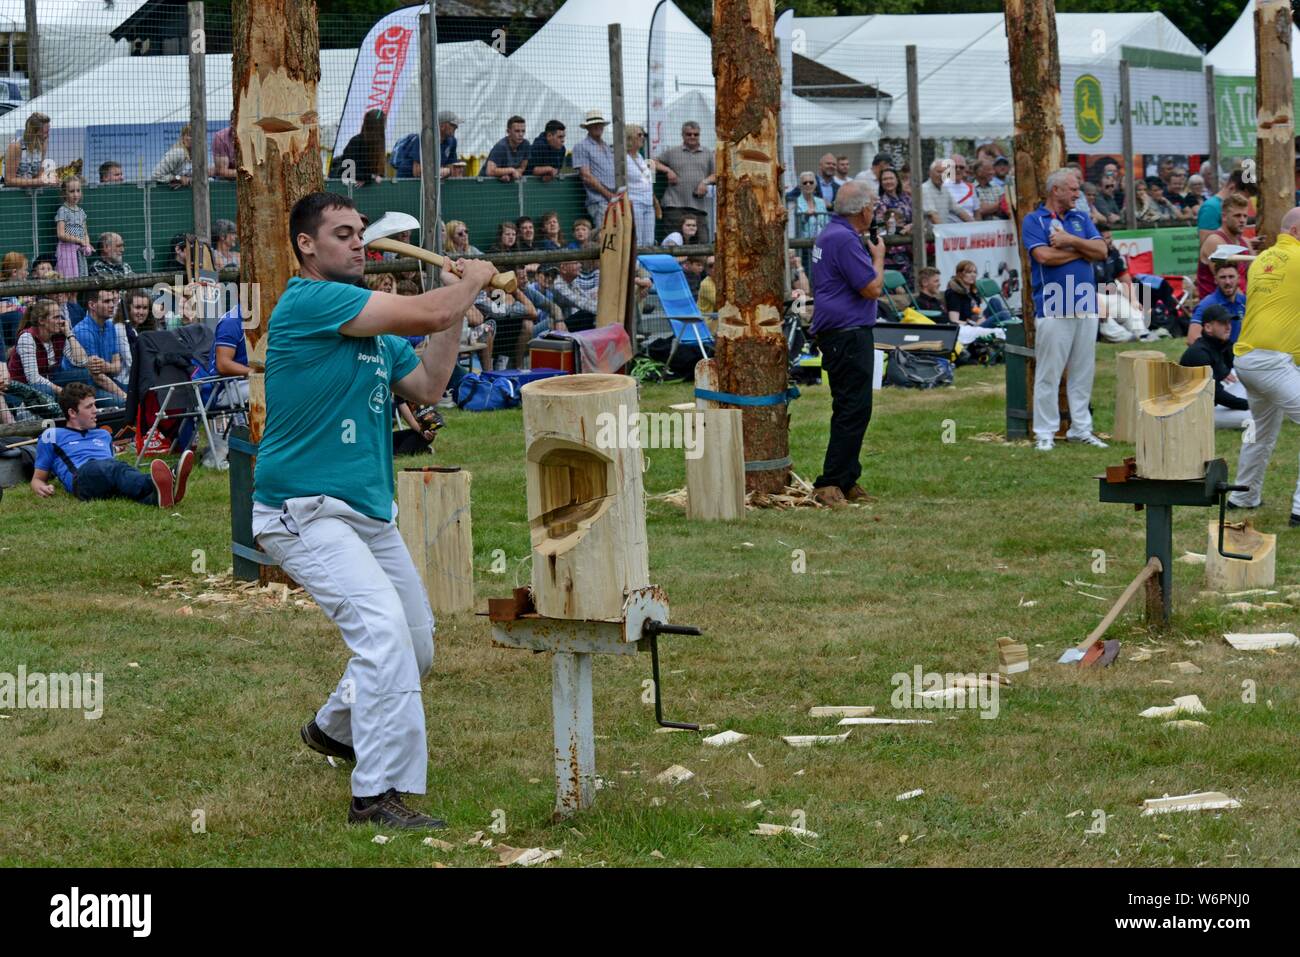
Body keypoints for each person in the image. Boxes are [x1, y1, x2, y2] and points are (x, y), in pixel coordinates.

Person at [251, 191, 498, 829]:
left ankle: (335, 728)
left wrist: (458, 311)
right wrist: (465, 283)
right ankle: (376, 796)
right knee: (383, 635)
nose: (359, 243)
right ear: (307, 245)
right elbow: (429, 311)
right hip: (302, 510)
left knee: (416, 645)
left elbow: (427, 386)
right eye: (342, 234)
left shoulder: (370, 327)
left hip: (368, 511)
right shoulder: (310, 301)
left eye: (360, 232)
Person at [807, 180, 886, 509]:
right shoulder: (844, 239)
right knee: (853, 408)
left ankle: (846, 478)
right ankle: (830, 482)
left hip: (840, 332)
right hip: (847, 332)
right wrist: (878, 257)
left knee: (853, 407)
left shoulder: (830, 234)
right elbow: (871, 288)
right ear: (864, 210)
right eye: (874, 206)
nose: (875, 212)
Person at [1022, 167, 1109, 451]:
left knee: (1083, 371)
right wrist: (1083, 251)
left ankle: (1081, 429)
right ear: (1055, 190)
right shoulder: (1034, 220)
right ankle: (1045, 432)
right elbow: (1043, 256)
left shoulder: (1081, 218)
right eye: (1072, 189)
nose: (1077, 194)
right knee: (1049, 372)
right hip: (1054, 304)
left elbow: (1102, 252)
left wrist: (1071, 241)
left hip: (1086, 302)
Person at [1226, 207, 1300, 522]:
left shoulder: (1261, 261)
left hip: (1247, 359)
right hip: (1273, 361)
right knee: (1261, 432)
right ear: (1297, 231)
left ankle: (1242, 496)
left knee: (1261, 432)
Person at [30, 383, 194, 507]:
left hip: (107, 474)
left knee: (119, 477)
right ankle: (164, 479)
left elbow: (114, 469)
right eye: (89, 407)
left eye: (95, 405)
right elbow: (37, 479)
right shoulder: (52, 436)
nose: (96, 410)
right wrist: (40, 487)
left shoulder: (103, 434)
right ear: (72, 413)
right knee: (113, 467)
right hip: (82, 478)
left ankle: (159, 498)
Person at [6, 299, 95, 401]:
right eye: (56, 317)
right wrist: (61, 391)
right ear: (41, 321)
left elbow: (82, 362)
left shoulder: (58, 335)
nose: (61, 321)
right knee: (46, 390)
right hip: (23, 385)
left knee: (84, 374)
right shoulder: (27, 337)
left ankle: (81, 407)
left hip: (49, 379)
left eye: (61, 316)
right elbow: (33, 379)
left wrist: (69, 334)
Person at [1179, 305, 1251, 431]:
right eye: (1223, 323)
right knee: (1253, 416)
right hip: (1195, 412)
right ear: (1208, 327)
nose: (1228, 327)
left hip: (1212, 401)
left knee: (1247, 375)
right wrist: (1249, 405)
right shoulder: (1198, 353)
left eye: (1229, 322)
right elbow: (1216, 394)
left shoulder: (1222, 345)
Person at [65, 288, 130, 403]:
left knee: (138, 393)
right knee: (124, 403)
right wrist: (125, 397)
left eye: (112, 301)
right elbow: (98, 377)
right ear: (92, 305)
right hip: (84, 389)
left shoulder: (110, 326)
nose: (112, 305)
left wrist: (107, 367)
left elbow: (117, 367)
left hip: (106, 380)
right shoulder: (83, 331)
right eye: (106, 301)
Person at [654, 121, 717, 242]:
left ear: (699, 135)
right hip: (674, 205)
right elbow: (650, 163)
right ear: (682, 135)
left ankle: (700, 261)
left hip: (698, 206)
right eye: (689, 134)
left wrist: (705, 182)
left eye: (695, 134)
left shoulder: (708, 153)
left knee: (703, 243)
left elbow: (717, 174)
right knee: (673, 243)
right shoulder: (672, 152)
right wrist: (667, 170)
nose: (692, 137)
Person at [1197, 192, 1251, 299]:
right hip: (1218, 309)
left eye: (1245, 216)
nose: (1242, 220)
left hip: (1240, 305)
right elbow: (1228, 286)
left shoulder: (1245, 242)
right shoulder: (1215, 241)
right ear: (1224, 217)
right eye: (1237, 215)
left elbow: (1254, 278)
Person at [573, 110, 616, 229]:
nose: (598, 127)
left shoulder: (607, 146)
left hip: (614, 198)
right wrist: (608, 195)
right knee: (605, 237)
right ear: (588, 127)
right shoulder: (581, 146)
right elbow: (586, 176)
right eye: (594, 125)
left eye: (599, 124)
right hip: (599, 201)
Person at [1189, 261, 1247, 345]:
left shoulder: (1244, 301)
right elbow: (1192, 338)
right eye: (1223, 277)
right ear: (1215, 280)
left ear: (1238, 279)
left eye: (1231, 277)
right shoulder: (1207, 304)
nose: (1227, 282)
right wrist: (1216, 355)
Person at [872, 167, 913, 282]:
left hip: (910, 247)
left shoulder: (906, 199)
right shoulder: (880, 203)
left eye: (891, 178)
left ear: (897, 180)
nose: (888, 181)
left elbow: (916, 218)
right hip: (892, 248)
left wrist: (911, 226)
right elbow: (880, 227)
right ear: (881, 183)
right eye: (885, 179)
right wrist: (900, 229)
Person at [1198, 168, 1258, 244]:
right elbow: (1206, 242)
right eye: (1244, 197)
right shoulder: (1211, 208)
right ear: (1232, 188)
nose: (1246, 201)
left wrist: (1247, 243)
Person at [332, 109, 387, 185]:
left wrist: (373, 177)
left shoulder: (379, 145)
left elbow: (378, 174)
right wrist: (371, 177)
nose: (385, 127)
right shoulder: (355, 142)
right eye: (384, 124)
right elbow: (347, 170)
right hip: (346, 188)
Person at [4, 112, 57, 188]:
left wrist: (49, 179)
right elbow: (9, 180)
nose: (48, 135)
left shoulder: (43, 143)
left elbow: (39, 173)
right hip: (13, 193)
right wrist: (37, 182)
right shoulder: (16, 146)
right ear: (33, 133)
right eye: (45, 132)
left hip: (32, 192)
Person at [54, 176, 94, 278]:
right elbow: (61, 234)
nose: (76, 194)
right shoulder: (63, 210)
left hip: (79, 252)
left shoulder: (81, 212)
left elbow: (85, 232)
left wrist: (87, 244)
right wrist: (79, 241)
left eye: (78, 191)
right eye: (72, 191)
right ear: (64, 193)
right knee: (69, 278)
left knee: (81, 277)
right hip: (67, 250)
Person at [624, 125, 657, 245]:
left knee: (649, 241)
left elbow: (648, 179)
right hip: (634, 202)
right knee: (637, 240)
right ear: (629, 137)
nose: (642, 137)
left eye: (643, 135)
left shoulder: (640, 156)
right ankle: (636, 264)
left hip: (648, 203)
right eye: (639, 135)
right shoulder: (623, 158)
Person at [921, 159, 967, 225]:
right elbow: (932, 215)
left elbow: (958, 210)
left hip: (941, 231)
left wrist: (975, 225)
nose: (941, 175)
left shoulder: (945, 189)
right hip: (930, 233)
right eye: (939, 172)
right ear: (930, 173)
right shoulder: (925, 189)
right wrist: (944, 232)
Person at [485, 115, 530, 182]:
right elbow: (489, 171)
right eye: (517, 131)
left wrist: (510, 174)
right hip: (486, 184)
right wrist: (511, 170)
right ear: (508, 131)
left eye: (523, 131)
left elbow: (522, 167)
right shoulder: (500, 147)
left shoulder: (526, 144)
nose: (521, 134)